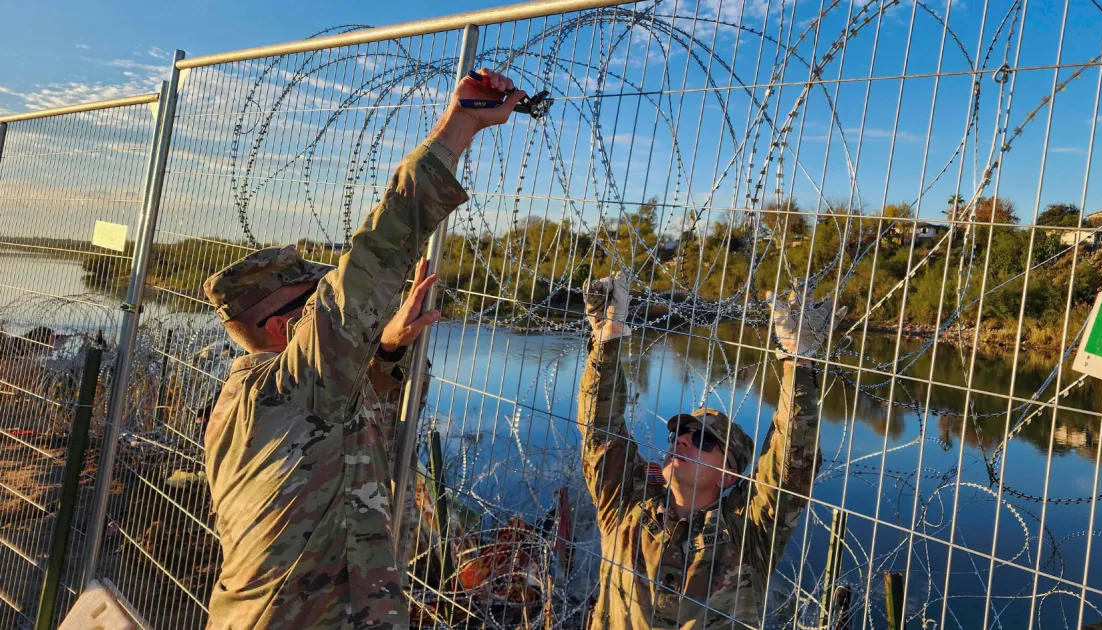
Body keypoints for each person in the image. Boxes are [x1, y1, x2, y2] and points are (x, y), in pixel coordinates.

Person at [200, 68, 526, 629]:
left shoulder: (252, 398)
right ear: (284, 331)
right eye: (313, 302)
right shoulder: (292, 388)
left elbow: (338, 430)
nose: (328, 307)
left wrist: (391, 347)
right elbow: (379, 248)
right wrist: (460, 125)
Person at [577, 272, 841, 630]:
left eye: (703, 441)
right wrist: (607, 339)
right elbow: (601, 435)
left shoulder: (748, 531)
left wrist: (799, 362)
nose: (681, 441)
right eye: (679, 434)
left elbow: (789, 468)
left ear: (728, 474)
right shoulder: (626, 505)